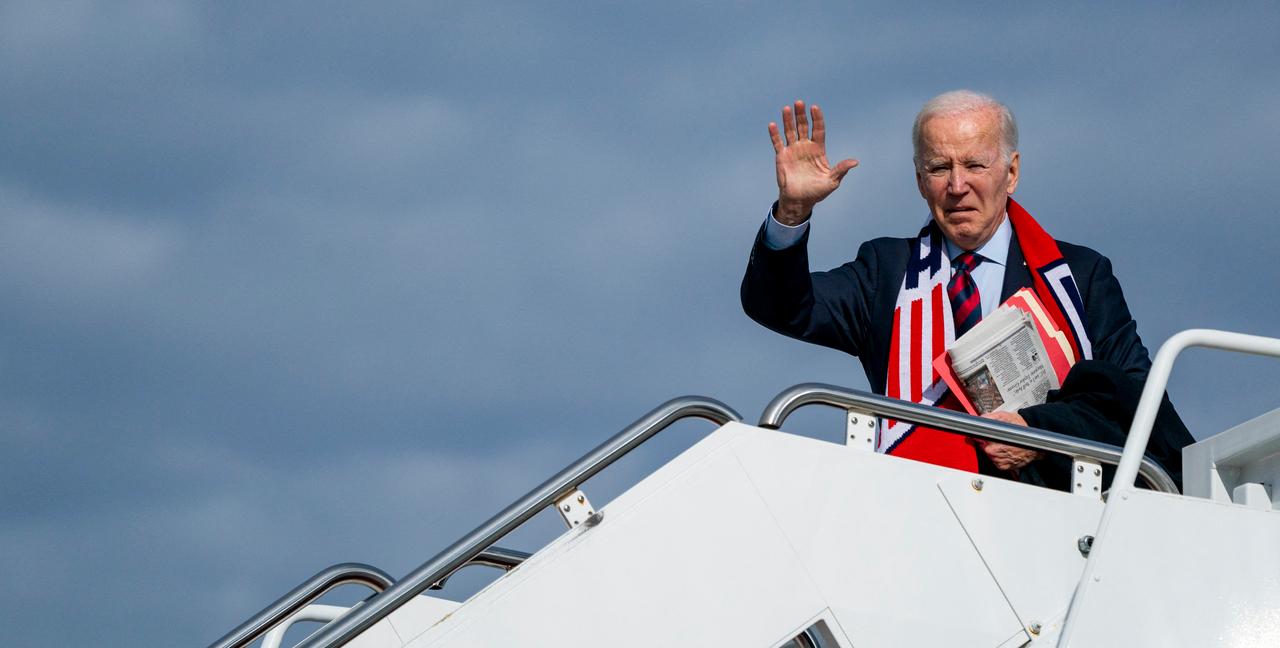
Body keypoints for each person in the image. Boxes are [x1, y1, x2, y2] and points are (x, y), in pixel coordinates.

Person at [741, 90, 1192, 489]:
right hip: (923, 513)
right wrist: (793, 210)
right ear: (920, 181)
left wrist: (1037, 433)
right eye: (940, 167)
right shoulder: (886, 271)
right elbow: (781, 307)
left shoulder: (1080, 275)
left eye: (975, 164)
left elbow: (1139, 407)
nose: (958, 186)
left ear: (1011, 173)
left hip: (1052, 518)